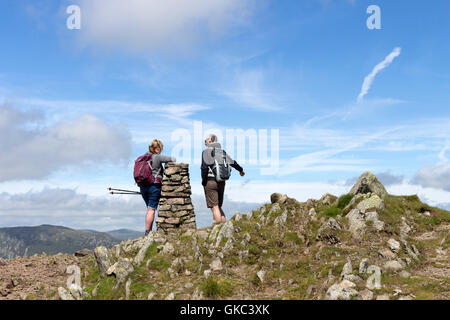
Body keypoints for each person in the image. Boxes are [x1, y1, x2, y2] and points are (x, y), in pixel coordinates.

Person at [201, 134, 245, 223]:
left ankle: (217, 229)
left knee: (214, 206)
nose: (205, 143)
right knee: (219, 207)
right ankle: (224, 229)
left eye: (206, 141)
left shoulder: (206, 152)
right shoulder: (222, 152)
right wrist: (241, 170)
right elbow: (233, 162)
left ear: (210, 142)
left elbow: (204, 167)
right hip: (222, 181)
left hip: (210, 182)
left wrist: (204, 181)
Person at [140, 139, 176, 236]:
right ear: (157, 148)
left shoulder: (144, 157)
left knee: (149, 209)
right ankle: (148, 233)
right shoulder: (156, 157)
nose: (161, 150)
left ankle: (150, 231)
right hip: (154, 186)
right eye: (160, 148)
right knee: (151, 209)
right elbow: (172, 159)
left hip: (143, 187)